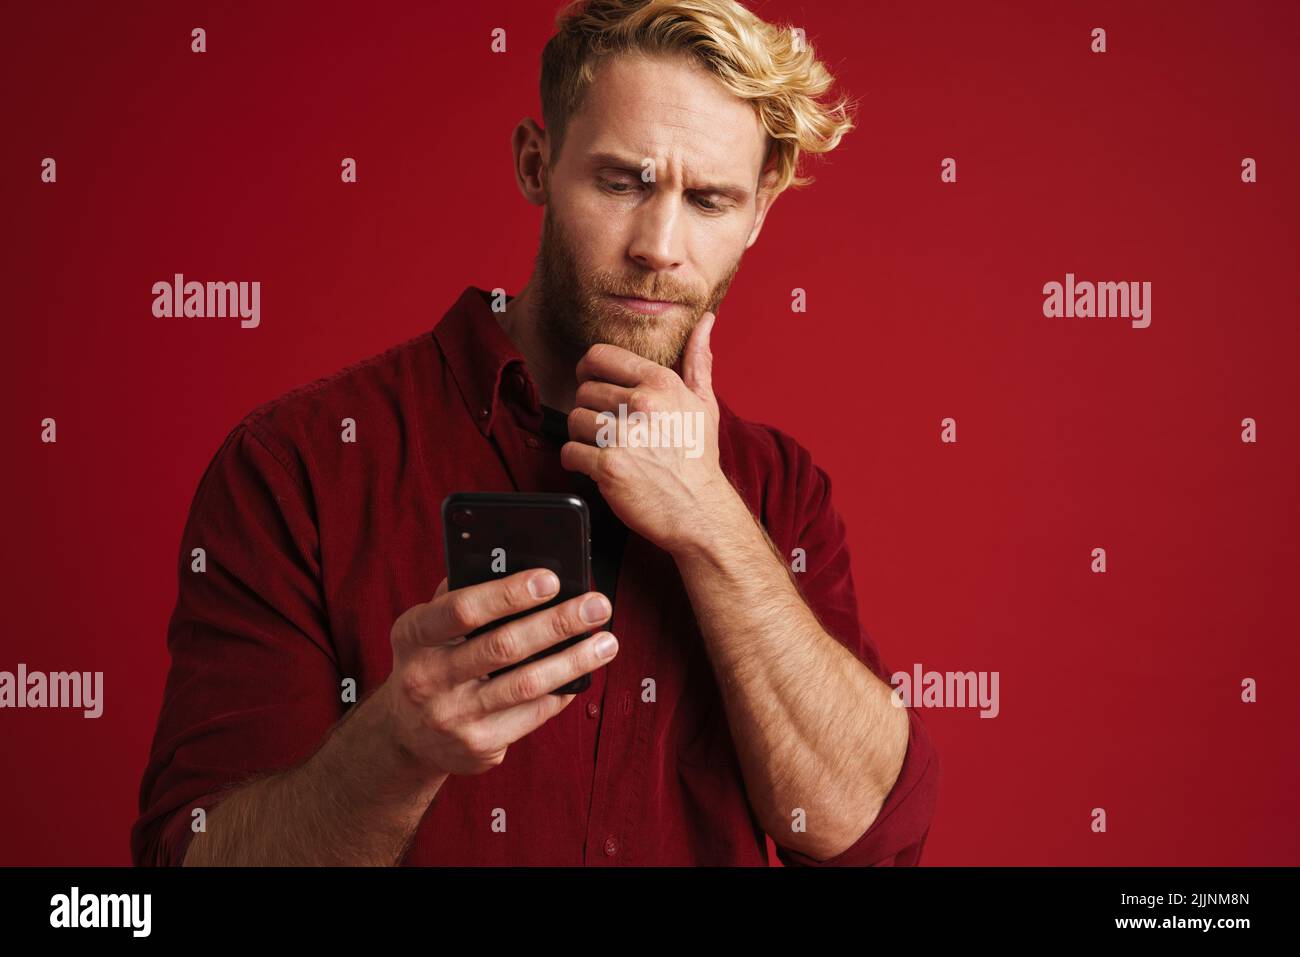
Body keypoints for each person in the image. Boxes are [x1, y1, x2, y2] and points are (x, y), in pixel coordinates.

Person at [131, 0, 940, 867]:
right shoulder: (298, 464)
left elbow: (867, 831)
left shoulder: (777, 487)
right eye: (622, 181)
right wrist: (396, 746)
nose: (659, 247)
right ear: (536, 163)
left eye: (708, 199)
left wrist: (712, 523)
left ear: (756, 214)